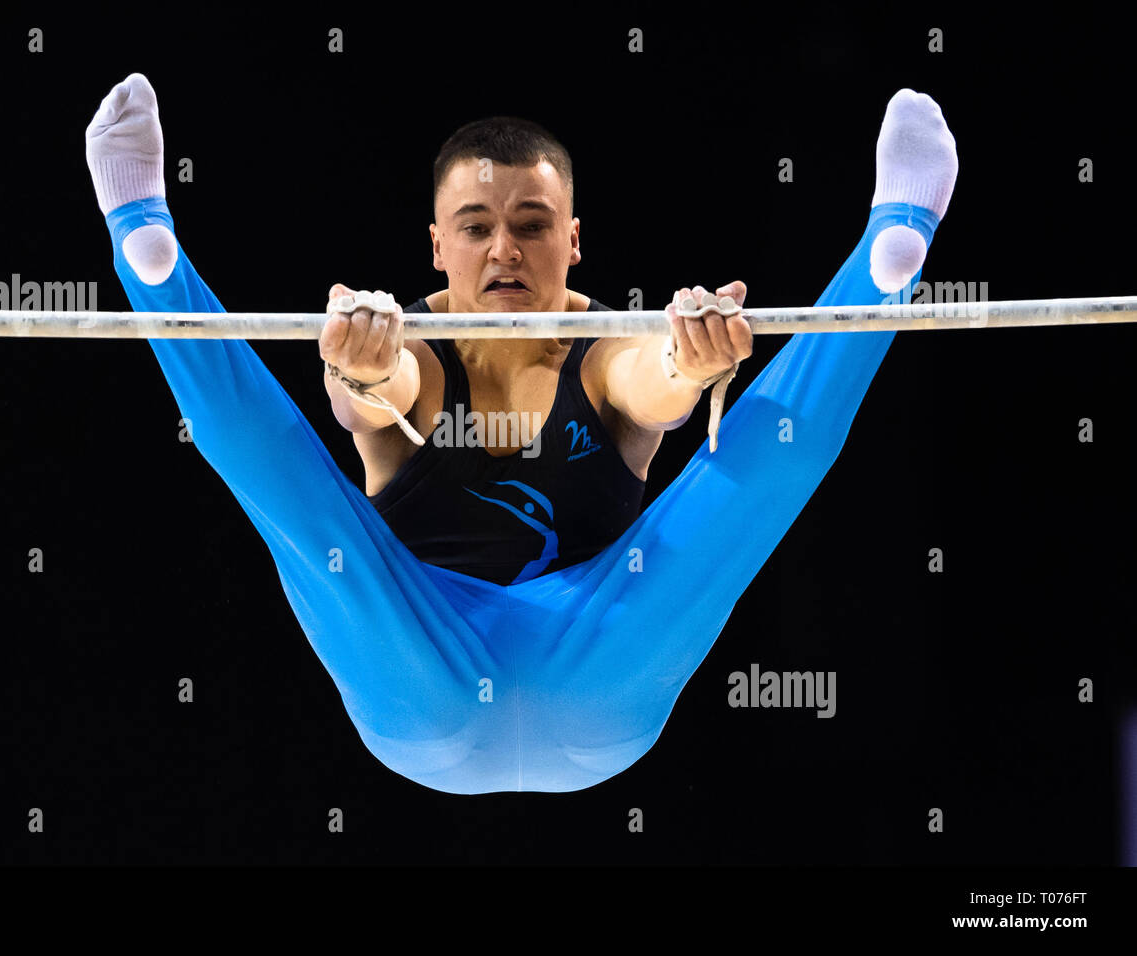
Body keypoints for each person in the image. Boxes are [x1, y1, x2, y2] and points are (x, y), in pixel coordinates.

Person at [85, 74, 957, 793]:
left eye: (531, 226)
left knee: (753, 471)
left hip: (600, 666)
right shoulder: (405, 341)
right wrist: (359, 367)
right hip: (424, 681)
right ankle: (146, 246)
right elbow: (380, 394)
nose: (504, 248)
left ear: (572, 241)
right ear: (438, 246)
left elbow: (645, 385)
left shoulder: (609, 340)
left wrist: (688, 364)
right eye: (477, 227)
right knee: (290, 486)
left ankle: (892, 246)